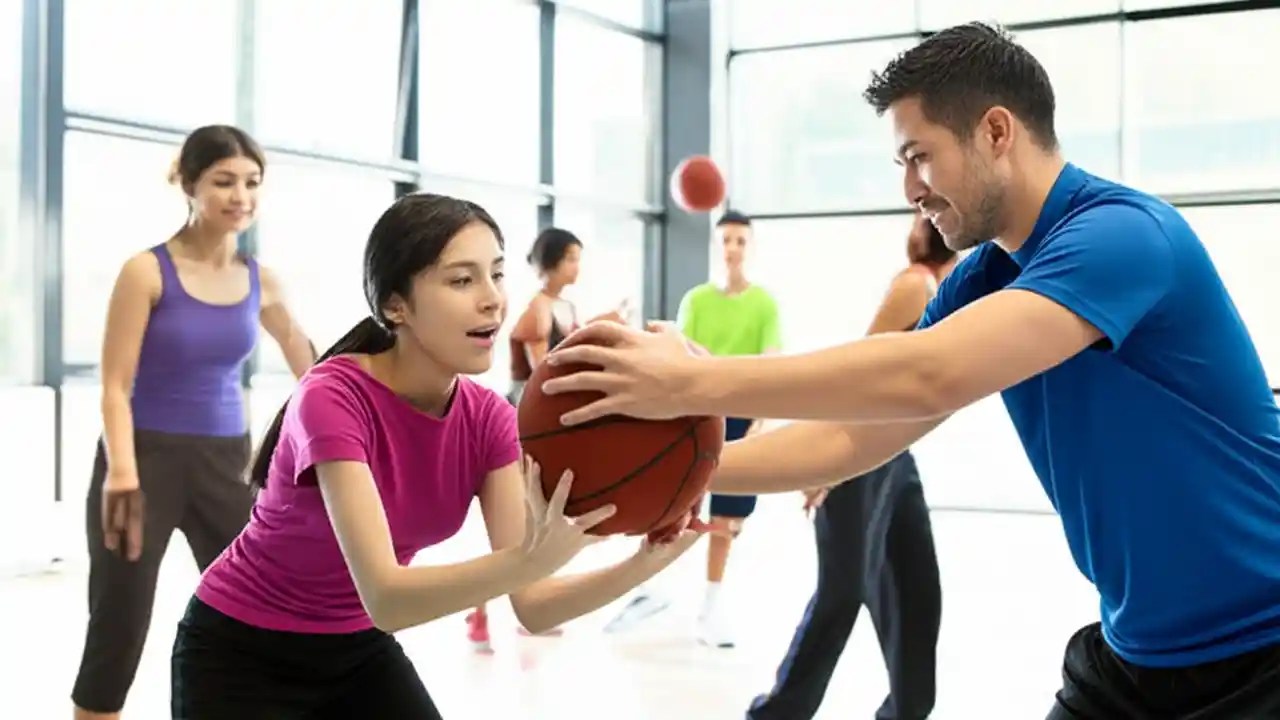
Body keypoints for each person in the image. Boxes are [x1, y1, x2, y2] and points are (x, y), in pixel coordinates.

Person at [539, 23, 1280, 719]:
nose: (910, 188)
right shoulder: (987, 276)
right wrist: (684, 475)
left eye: (919, 155)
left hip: (1264, 645)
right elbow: (854, 438)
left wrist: (691, 381)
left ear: (996, 131)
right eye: (902, 163)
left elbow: (930, 373)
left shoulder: (1123, 236)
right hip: (1135, 654)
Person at [170, 193, 704, 718]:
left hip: (355, 652)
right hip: (239, 654)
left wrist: (642, 563)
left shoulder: (489, 418)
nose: (492, 298)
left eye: (496, 274)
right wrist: (529, 560)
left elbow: (535, 605)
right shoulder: (331, 396)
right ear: (395, 305)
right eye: (461, 279)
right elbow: (387, 597)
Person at [73, 124, 316, 720]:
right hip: (142, 464)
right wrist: (123, 475)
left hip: (227, 465)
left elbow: (312, 368)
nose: (241, 196)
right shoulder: (146, 272)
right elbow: (114, 385)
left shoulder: (263, 281)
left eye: (252, 182)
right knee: (120, 623)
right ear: (190, 185)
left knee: (259, 609)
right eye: (224, 181)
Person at [748, 212, 954, 720]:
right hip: (859, 454)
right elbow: (858, 374)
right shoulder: (916, 284)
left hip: (895, 457)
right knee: (841, 593)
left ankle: (907, 710)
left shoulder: (953, 288)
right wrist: (826, 465)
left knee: (917, 588)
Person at [603, 210, 780, 648]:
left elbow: (772, 359)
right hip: (698, 414)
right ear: (715, 246)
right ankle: (647, 590)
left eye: (740, 240)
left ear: (750, 246)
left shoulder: (764, 304)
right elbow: (681, 360)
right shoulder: (697, 300)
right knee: (673, 510)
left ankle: (711, 607)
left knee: (725, 523)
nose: (733, 248)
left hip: (740, 415)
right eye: (726, 241)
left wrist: (759, 422)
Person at [466, 226, 630, 652]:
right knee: (510, 524)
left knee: (534, 521)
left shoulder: (564, 305)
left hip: (545, 425)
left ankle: (525, 602)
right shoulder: (536, 310)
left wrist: (601, 325)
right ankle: (480, 610)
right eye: (572, 258)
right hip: (521, 423)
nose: (578, 266)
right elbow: (547, 373)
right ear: (553, 263)